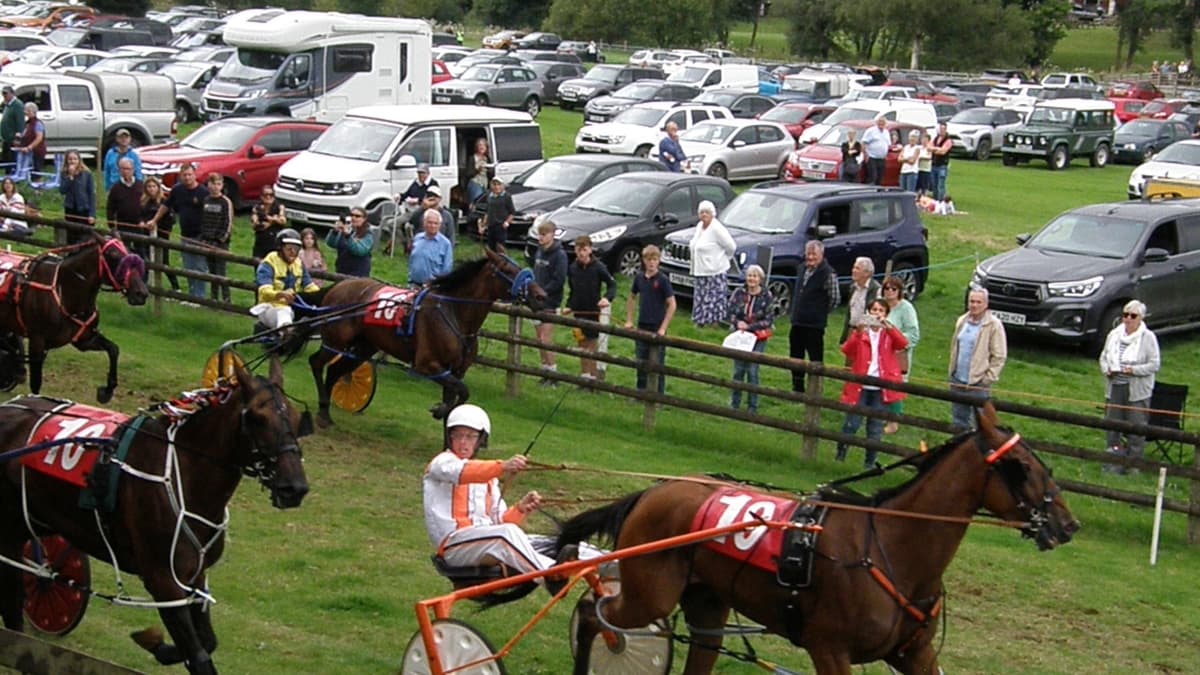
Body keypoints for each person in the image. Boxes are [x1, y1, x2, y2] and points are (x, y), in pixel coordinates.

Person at [423, 404, 577, 588]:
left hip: (486, 542)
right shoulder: (441, 463)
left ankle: (610, 565)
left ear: (480, 439)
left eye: (470, 436)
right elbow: (461, 472)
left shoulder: (489, 480)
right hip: (454, 547)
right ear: (450, 437)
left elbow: (500, 521)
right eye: (458, 435)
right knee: (506, 535)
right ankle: (551, 575)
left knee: (549, 542)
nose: (463, 442)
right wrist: (502, 467)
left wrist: (520, 509)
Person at [836, 298, 908, 468]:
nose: (877, 314)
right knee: (851, 424)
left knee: (874, 428)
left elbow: (902, 343)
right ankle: (840, 456)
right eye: (874, 310)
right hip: (860, 387)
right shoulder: (861, 333)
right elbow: (847, 350)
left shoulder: (888, 334)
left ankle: (869, 462)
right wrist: (858, 332)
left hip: (879, 388)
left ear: (886, 314)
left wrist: (889, 327)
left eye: (881, 311)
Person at [1099, 300, 1161, 473]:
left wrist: (1132, 370)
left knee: (1136, 428)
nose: (1127, 319)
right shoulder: (1114, 335)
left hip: (1137, 391)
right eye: (1125, 315)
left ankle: (1134, 465)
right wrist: (1107, 370)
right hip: (1115, 387)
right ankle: (1112, 461)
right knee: (1112, 426)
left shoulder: (1148, 338)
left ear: (1140, 318)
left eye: (1132, 316)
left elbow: (1154, 364)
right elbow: (1103, 357)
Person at [948, 287, 1007, 430]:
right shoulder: (962, 321)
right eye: (972, 301)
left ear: (986, 304)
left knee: (982, 422)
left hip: (978, 383)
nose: (974, 305)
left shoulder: (993, 325)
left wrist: (986, 379)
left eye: (978, 302)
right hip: (958, 381)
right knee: (959, 418)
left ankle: (982, 451)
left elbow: (999, 356)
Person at [789, 240, 839, 393]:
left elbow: (835, 298)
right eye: (808, 254)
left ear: (821, 255)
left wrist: (819, 312)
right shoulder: (801, 268)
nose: (810, 257)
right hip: (797, 322)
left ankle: (815, 390)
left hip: (814, 326)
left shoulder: (828, 273)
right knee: (795, 357)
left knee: (815, 360)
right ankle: (798, 388)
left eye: (814, 254)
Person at [565, 235, 616, 384]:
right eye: (578, 250)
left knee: (591, 345)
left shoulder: (598, 267)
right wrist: (569, 305)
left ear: (590, 250)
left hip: (593, 312)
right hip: (578, 313)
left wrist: (607, 298)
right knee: (582, 344)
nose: (581, 253)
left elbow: (612, 285)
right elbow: (572, 290)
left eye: (584, 249)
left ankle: (592, 379)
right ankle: (585, 375)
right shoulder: (573, 268)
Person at [624, 245, 676, 393]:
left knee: (657, 363)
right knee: (641, 360)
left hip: (657, 326)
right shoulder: (639, 278)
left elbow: (672, 304)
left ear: (658, 261)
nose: (651, 263)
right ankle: (641, 391)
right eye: (648, 259)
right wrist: (629, 319)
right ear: (644, 261)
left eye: (654, 259)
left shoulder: (663, 280)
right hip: (642, 324)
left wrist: (663, 328)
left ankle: (658, 395)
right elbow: (632, 297)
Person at [728, 264, 774, 415]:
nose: (751, 279)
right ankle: (734, 404)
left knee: (752, 371)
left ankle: (752, 407)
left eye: (755, 276)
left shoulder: (767, 296)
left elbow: (769, 320)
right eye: (749, 275)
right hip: (740, 336)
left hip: (757, 338)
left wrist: (751, 326)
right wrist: (737, 323)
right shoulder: (739, 293)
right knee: (738, 370)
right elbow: (730, 312)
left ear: (760, 279)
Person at [159, 163, 210, 299]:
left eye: (189, 175)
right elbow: (166, 205)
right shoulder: (177, 190)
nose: (187, 178)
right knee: (188, 267)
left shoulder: (203, 192)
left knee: (199, 267)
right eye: (184, 175)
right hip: (185, 235)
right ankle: (192, 296)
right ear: (180, 176)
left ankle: (199, 297)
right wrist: (154, 219)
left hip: (200, 235)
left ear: (195, 175)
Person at [252, 228, 320, 330]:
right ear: (280, 248)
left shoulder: (299, 264)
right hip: (269, 306)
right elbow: (264, 291)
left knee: (313, 313)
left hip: (291, 306)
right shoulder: (268, 263)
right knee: (284, 311)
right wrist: (280, 294)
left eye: (296, 249)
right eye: (289, 249)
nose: (293, 252)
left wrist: (323, 296)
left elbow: (309, 286)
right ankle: (286, 334)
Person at [880, 276, 918, 434]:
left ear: (900, 291)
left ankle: (894, 422)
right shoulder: (880, 305)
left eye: (893, 289)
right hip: (880, 354)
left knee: (895, 387)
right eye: (887, 288)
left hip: (897, 355)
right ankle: (880, 415)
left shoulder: (906, 308)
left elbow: (913, 334)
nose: (889, 292)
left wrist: (896, 340)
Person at [688, 200, 736, 328]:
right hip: (700, 269)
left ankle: (714, 322)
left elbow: (731, 246)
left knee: (714, 297)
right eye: (701, 212)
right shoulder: (699, 226)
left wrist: (724, 258)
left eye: (706, 212)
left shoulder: (717, 228)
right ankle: (700, 321)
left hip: (715, 269)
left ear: (712, 213)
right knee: (701, 296)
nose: (704, 215)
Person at [532, 219, 568, 383]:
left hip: (550, 302)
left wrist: (544, 292)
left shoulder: (559, 255)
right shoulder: (539, 252)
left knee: (546, 338)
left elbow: (559, 279)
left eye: (544, 234)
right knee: (539, 338)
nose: (541, 238)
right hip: (536, 301)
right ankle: (544, 369)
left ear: (552, 235)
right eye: (540, 234)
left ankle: (553, 372)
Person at [139, 176, 180, 292]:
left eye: (154, 186)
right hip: (146, 236)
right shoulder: (143, 202)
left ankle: (175, 286)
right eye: (149, 187)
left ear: (158, 187)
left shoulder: (164, 201)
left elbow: (171, 220)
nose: (151, 189)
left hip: (162, 236)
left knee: (164, 262)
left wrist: (158, 225)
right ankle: (145, 284)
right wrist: (142, 223)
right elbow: (140, 216)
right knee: (146, 260)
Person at [199, 172, 234, 303]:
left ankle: (226, 299)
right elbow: (203, 220)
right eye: (212, 184)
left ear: (222, 185)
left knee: (221, 271)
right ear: (208, 185)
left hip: (220, 242)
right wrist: (203, 238)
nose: (215, 187)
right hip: (207, 240)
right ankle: (214, 298)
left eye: (218, 184)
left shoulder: (225, 202)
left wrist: (221, 239)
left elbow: (228, 222)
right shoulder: (206, 201)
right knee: (212, 271)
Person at [106, 157, 145, 262]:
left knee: (141, 252)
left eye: (128, 168)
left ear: (133, 170)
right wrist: (112, 227)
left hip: (139, 226)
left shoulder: (140, 185)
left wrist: (143, 220)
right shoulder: (115, 188)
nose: (125, 171)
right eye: (122, 169)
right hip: (123, 226)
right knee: (124, 253)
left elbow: (146, 205)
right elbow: (110, 208)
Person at [407, 208, 453, 286]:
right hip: (413, 285)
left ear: (440, 225)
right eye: (430, 222)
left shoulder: (445, 244)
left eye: (436, 223)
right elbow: (412, 261)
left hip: (432, 288)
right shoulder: (417, 238)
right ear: (424, 223)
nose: (432, 226)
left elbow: (446, 270)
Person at [840, 256, 881, 344]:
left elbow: (878, 316)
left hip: (866, 334)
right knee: (850, 358)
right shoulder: (853, 287)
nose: (853, 270)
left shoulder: (876, 290)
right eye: (854, 267)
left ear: (867, 273)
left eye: (857, 268)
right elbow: (849, 313)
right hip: (852, 331)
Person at [57, 150, 94, 245]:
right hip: (70, 207)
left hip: (83, 208)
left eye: (75, 159)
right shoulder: (64, 173)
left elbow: (91, 193)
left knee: (84, 234)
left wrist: (92, 214)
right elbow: (62, 190)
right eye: (70, 159)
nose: (72, 161)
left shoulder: (86, 174)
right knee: (71, 233)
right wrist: (70, 177)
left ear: (79, 160)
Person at [325, 206, 374, 277]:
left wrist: (348, 236)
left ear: (364, 219)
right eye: (352, 215)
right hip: (341, 271)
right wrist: (335, 232)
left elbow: (359, 251)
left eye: (357, 216)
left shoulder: (368, 234)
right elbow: (331, 244)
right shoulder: (347, 229)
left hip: (358, 274)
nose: (353, 218)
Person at [250, 185, 287, 260]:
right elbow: (255, 225)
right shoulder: (257, 208)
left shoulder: (279, 207)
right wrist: (273, 219)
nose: (268, 197)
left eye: (271, 195)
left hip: (275, 243)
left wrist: (269, 221)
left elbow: (283, 221)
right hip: (261, 243)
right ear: (261, 196)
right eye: (265, 195)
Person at [482, 177, 515, 253]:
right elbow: (487, 211)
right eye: (494, 184)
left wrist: (507, 222)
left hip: (501, 226)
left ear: (502, 186)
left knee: (500, 247)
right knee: (491, 246)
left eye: (499, 185)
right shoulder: (489, 196)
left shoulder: (506, 196)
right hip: (491, 225)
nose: (496, 187)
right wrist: (484, 224)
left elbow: (512, 212)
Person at [14, 102, 45, 173]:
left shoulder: (38, 123)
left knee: (36, 172)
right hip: (28, 153)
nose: (25, 113)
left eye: (27, 111)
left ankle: (38, 183)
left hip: (37, 152)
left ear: (32, 111)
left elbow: (39, 138)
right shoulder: (28, 123)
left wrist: (29, 147)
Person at [860, 117, 890, 185]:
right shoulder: (871, 131)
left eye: (883, 122)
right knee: (873, 177)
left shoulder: (886, 132)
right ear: (877, 122)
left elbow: (888, 144)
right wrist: (865, 155)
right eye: (880, 121)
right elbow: (863, 143)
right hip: (872, 157)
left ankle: (877, 192)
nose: (881, 123)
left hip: (882, 159)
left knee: (880, 178)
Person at [928, 122, 952, 200]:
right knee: (934, 184)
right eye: (940, 129)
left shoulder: (948, 140)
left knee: (940, 185)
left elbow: (943, 151)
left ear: (945, 130)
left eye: (943, 129)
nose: (941, 131)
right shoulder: (935, 138)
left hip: (942, 166)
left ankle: (941, 201)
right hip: (934, 164)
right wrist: (937, 149)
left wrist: (934, 149)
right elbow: (929, 147)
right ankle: (935, 201)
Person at [0, 86, 22, 167]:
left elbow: (20, 122)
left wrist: (17, 139)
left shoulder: (17, 105)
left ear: (12, 94)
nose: (4, 96)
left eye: (6, 93)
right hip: (6, 138)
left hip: (12, 139)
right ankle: (7, 176)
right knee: (6, 159)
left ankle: (12, 176)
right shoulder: (7, 105)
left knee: (12, 160)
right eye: (3, 94)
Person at [467, 138, 491, 205]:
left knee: (484, 203)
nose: (482, 147)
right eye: (480, 145)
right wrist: (478, 170)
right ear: (477, 147)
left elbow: (490, 174)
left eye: (484, 145)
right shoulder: (472, 158)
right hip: (475, 183)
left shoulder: (487, 158)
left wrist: (489, 169)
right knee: (476, 203)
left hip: (485, 183)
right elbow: (468, 174)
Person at [916, 131, 933, 195]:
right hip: (918, 169)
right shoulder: (918, 148)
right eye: (923, 139)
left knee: (924, 186)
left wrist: (920, 157)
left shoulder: (929, 148)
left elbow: (929, 157)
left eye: (926, 140)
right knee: (918, 186)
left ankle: (924, 197)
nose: (924, 141)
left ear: (928, 141)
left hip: (926, 170)